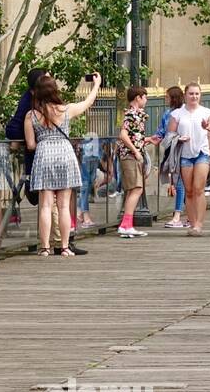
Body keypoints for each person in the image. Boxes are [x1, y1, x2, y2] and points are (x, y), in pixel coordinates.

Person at [24, 71, 101, 257]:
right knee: (64, 206)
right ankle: (65, 246)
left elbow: (30, 145)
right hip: (65, 154)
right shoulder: (66, 110)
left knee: (45, 206)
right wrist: (96, 85)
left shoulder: (31, 115)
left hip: (44, 155)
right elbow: (87, 102)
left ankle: (44, 247)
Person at [170, 82, 210, 235]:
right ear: (185, 95)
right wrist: (178, 138)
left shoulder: (207, 113)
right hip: (184, 154)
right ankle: (192, 223)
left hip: (202, 152)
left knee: (198, 188)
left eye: (197, 93)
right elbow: (169, 136)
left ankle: (199, 223)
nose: (194, 96)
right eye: (191, 93)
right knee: (189, 190)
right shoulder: (177, 114)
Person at [115, 85, 159, 239]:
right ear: (138, 97)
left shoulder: (135, 115)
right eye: (145, 97)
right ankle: (126, 225)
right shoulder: (132, 114)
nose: (146, 100)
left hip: (132, 154)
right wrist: (135, 150)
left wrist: (148, 140)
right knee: (136, 188)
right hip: (131, 156)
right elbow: (123, 135)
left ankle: (127, 224)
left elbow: (133, 136)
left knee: (133, 189)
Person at [156, 86, 187, 228]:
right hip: (175, 149)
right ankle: (185, 214)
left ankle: (178, 215)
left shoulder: (173, 113)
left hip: (179, 149)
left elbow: (161, 132)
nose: (165, 99)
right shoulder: (171, 113)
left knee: (179, 182)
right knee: (180, 182)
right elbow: (162, 132)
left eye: (167, 96)